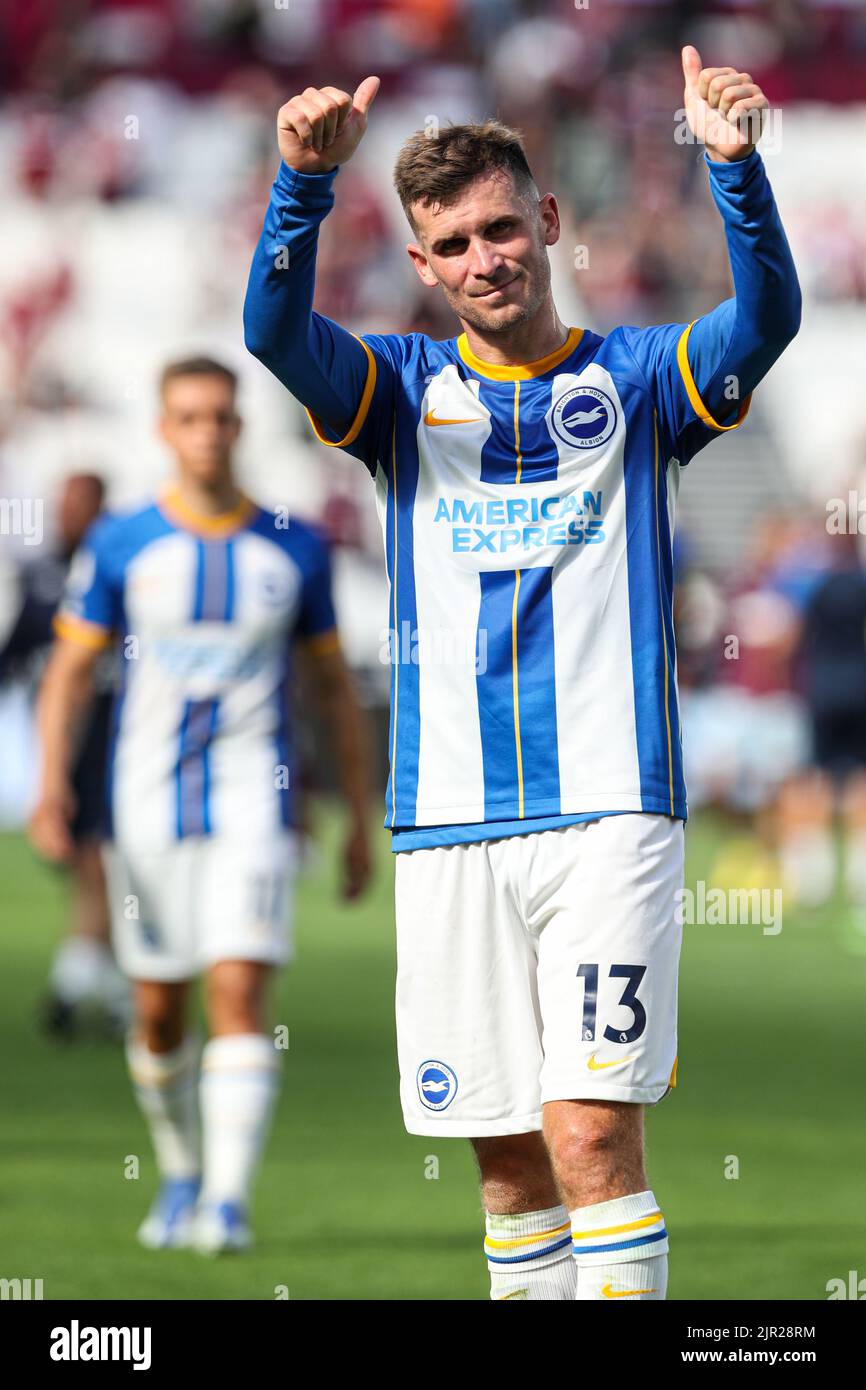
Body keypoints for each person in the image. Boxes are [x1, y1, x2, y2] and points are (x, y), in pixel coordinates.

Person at [243, 48, 801, 1299]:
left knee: (591, 1132)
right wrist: (299, 188)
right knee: (504, 1164)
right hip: (446, 819)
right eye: (451, 243)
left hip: (610, 808)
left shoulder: (643, 381)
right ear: (424, 265)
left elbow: (764, 321)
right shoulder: (395, 391)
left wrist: (734, 174)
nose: (483, 257)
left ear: (545, 223)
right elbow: (270, 331)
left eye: (502, 227)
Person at [30, 357, 372, 1254]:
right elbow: (67, 673)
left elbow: (334, 689)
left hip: (255, 802)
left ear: (239, 426)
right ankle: (180, 1169)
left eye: (221, 416)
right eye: (189, 417)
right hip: (144, 806)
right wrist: (51, 786)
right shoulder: (122, 543)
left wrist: (359, 820)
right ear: (163, 430)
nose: (207, 432)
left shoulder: (293, 545)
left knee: (238, 987)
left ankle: (227, 1200)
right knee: (157, 1011)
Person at [2, 473, 128, 1038]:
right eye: (66, 503)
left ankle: (84, 984)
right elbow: (18, 653)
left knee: (102, 863)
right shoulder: (45, 576)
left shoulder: (122, 568)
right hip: (66, 741)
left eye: (84, 504)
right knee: (87, 864)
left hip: (120, 735)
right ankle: (105, 984)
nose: (71, 514)